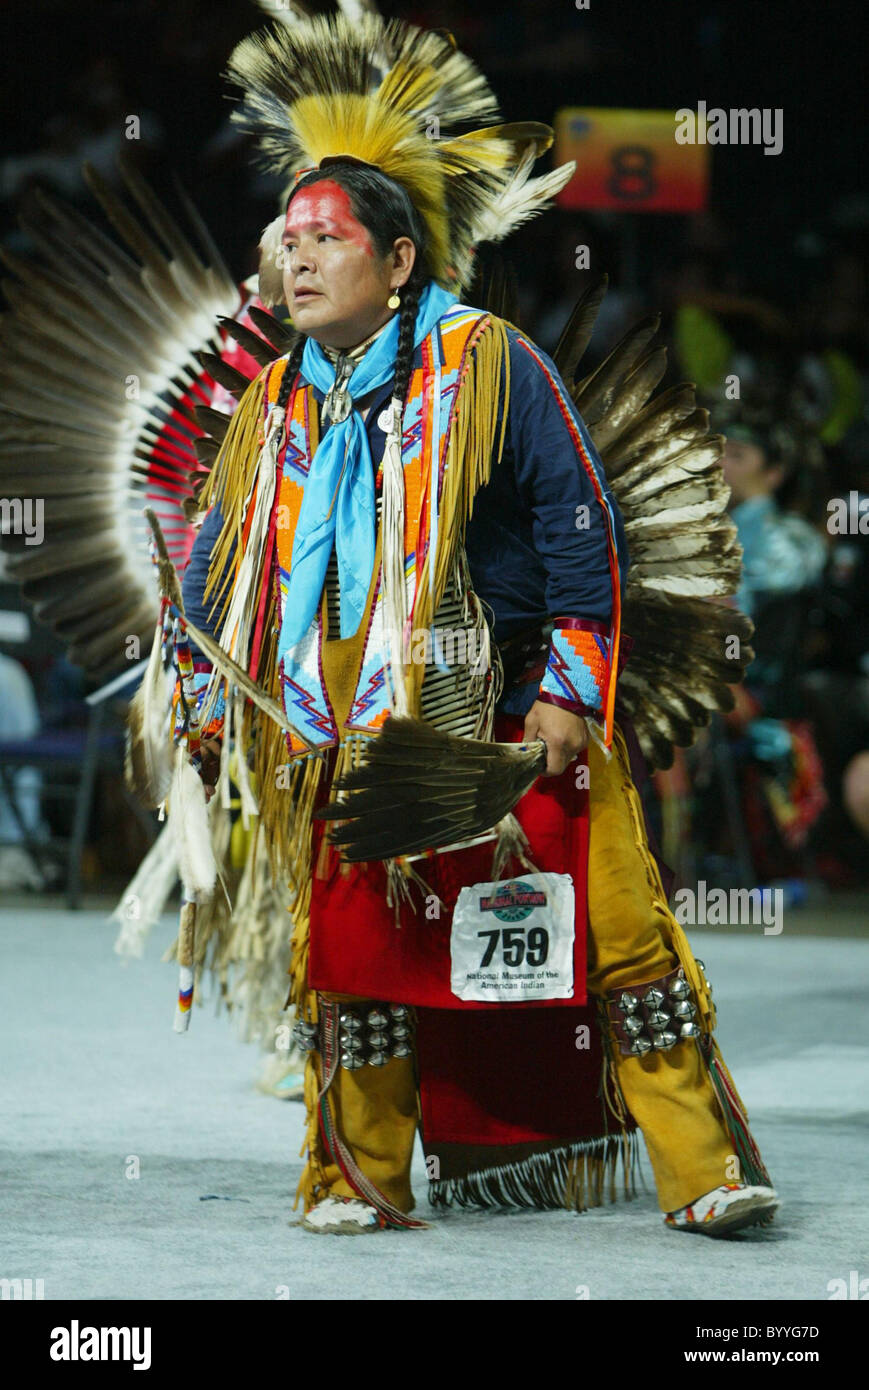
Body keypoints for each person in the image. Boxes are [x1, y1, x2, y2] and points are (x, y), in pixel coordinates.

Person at [173, 12, 778, 1237]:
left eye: (324, 242)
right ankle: (355, 1178)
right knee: (357, 961)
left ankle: (701, 1168)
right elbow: (221, 559)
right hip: (348, 720)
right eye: (286, 242)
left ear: (398, 264)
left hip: (506, 710)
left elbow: (576, 528)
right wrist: (198, 678)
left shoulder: (488, 363)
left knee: (613, 934)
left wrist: (566, 682)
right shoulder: (276, 405)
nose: (295, 263)